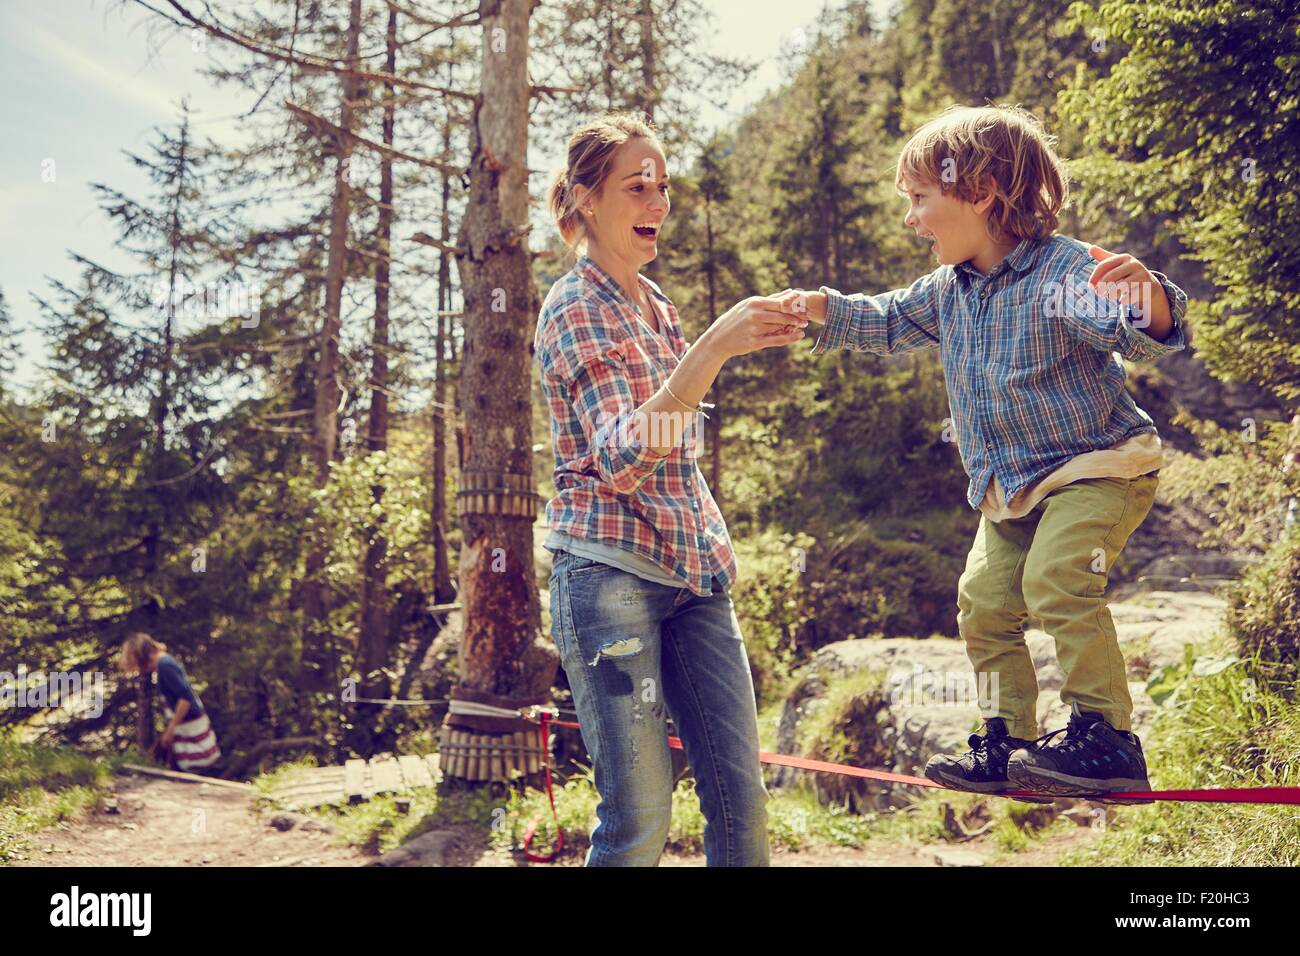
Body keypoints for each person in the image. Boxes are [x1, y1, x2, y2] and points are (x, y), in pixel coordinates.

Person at [772, 104, 1189, 798]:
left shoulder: (1061, 271)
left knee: (1056, 580)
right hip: (1008, 488)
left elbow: (1137, 333)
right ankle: (1008, 739)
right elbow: (881, 320)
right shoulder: (946, 290)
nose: (912, 217)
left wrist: (1147, 300)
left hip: (1097, 466)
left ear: (981, 191)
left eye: (919, 199)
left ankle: (1107, 736)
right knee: (985, 603)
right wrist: (817, 307)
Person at [535, 112, 805, 865]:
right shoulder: (573, 308)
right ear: (587, 199)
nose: (656, 202)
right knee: (641, 819)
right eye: (636, 186)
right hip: (610, 579)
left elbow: (673, 457)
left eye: (662, 186)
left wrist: (708, 345)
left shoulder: (657, 309)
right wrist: (713, 347)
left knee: (742, 812)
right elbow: (621, 458)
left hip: (696, 580)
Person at [119, 632, 221, 774]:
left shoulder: (165, 665)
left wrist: (171, 728)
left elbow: (185, 698)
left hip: (190, 725)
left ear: (142, 655)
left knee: (192, 768)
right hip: (186, 724)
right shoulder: (164, 664)